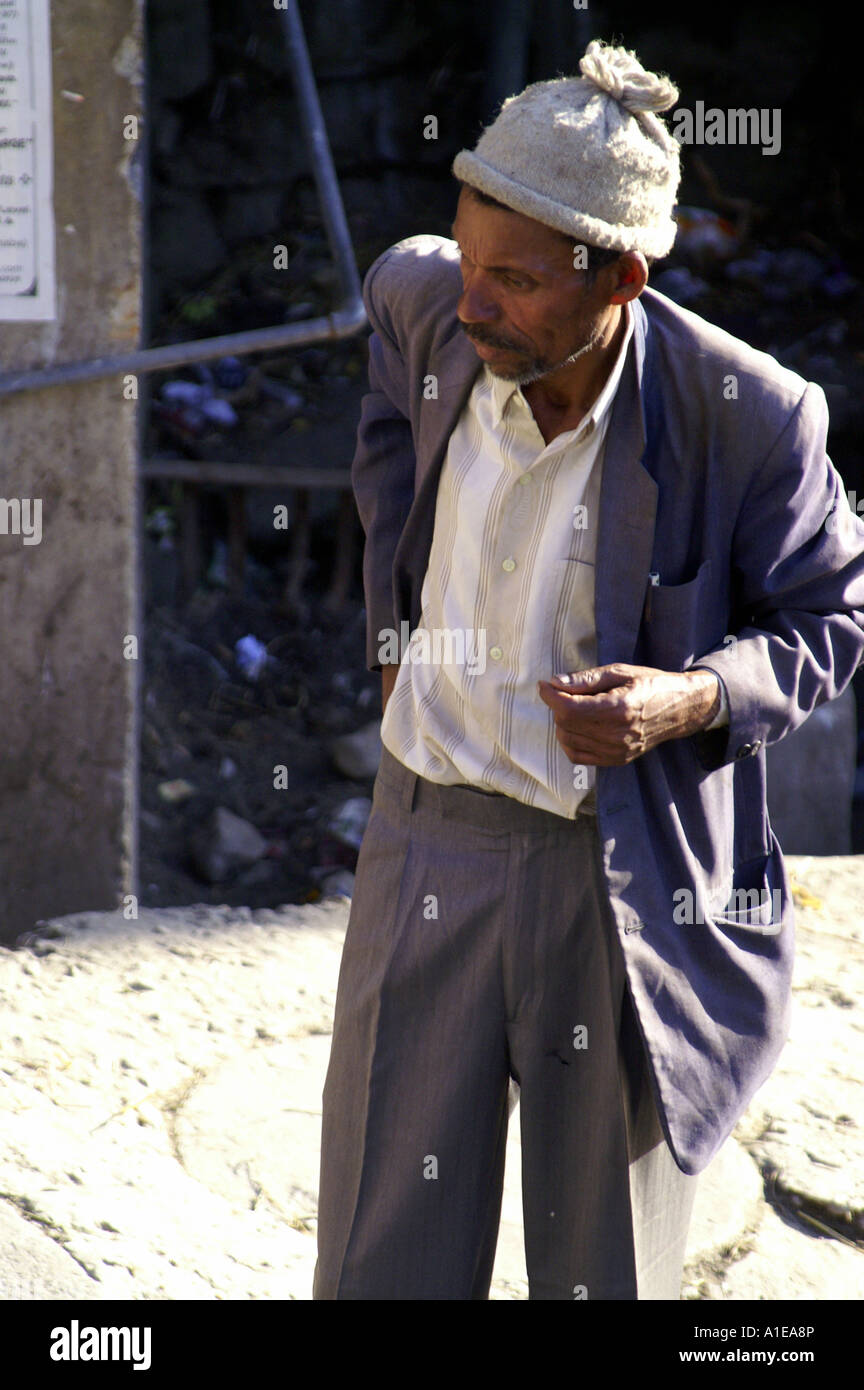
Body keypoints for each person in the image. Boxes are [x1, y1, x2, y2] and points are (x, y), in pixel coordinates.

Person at [312, 39, 864, 1300]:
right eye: (471, 256)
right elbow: (388, 430)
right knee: (378, 1257)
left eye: (515, 281)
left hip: (614, 873)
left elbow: (833, 615)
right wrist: (393, 634)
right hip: (423, 848)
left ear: (617, 275)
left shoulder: (749, 413)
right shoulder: (423, 303)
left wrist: (689, 699)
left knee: (600, 1269)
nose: (476, 302)